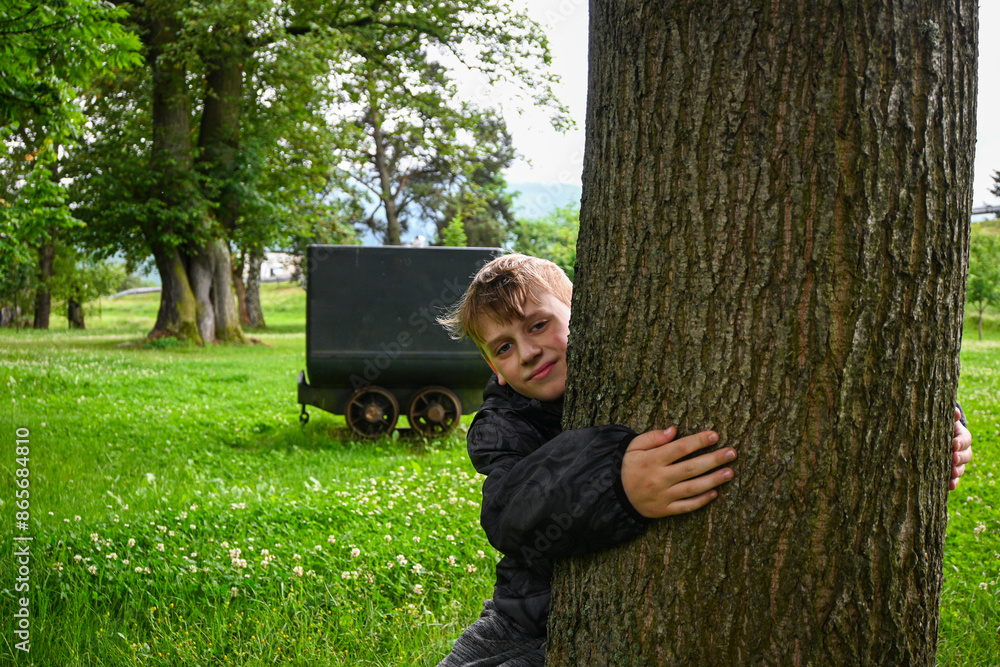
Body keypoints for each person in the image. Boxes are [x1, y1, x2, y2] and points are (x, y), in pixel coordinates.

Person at [436, 253, 972, 666]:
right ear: (494, 368)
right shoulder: (504, 422)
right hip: (524, 613)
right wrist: (612, 482)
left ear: (582, 313)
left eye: (537, 325)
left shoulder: (635, 355)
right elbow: (509, 512)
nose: (527, 351)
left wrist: (935, 431)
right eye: (502, 347)